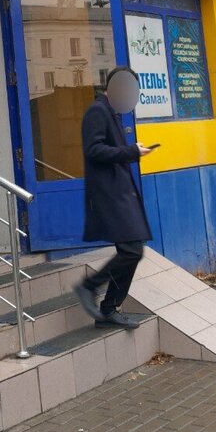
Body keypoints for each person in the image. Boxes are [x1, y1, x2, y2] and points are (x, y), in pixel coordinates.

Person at [74, 66, 153, 329]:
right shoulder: (97, 111)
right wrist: (131, 151)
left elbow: (111, 150)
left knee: (132, 251)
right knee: (132, 250)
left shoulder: (112, 113)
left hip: (119, 193)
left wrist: (133, 151)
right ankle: (89, 287)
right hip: (109, 195)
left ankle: (109, 309)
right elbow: (94, 149)